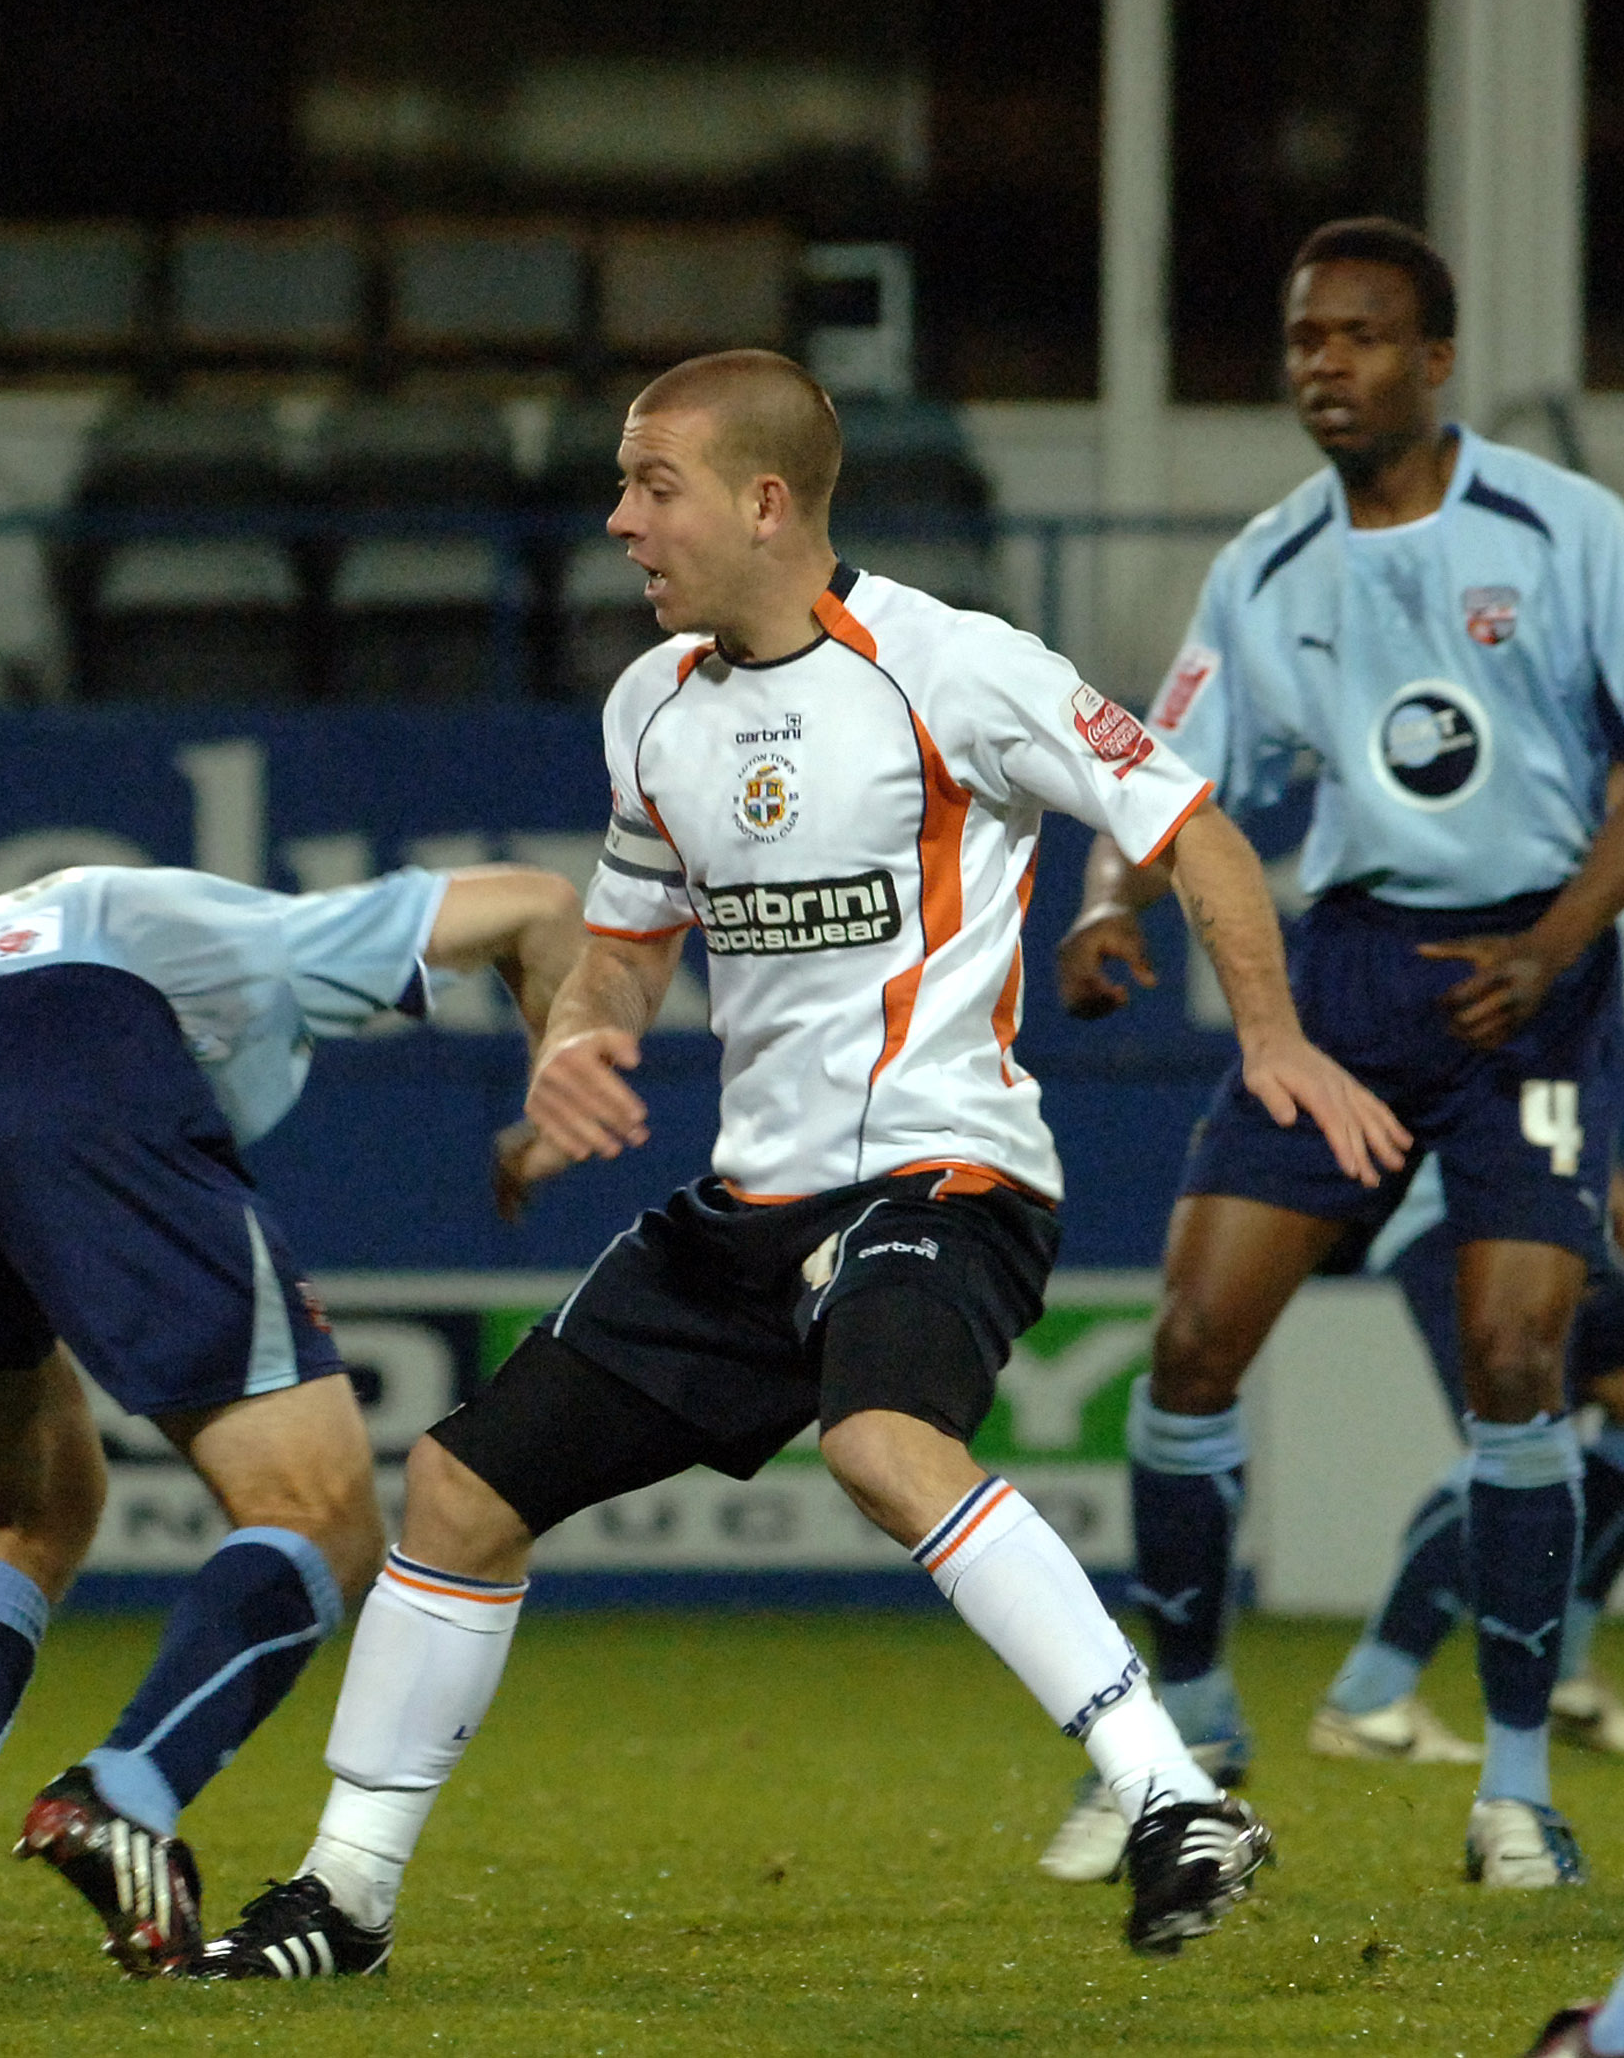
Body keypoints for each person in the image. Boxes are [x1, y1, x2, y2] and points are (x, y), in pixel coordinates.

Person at [178, 348, 1406, 1980]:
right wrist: (573, 1049)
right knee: (461, 1489)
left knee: (882, 1440)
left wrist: (1272, 1037)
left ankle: (1173, 1796)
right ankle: (346, 1895)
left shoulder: (957, 668)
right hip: (751, 1205)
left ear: (765, 503)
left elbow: (1195, 831)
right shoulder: (650, 707)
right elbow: (626, 952)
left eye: (652, 485)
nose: (619, 522)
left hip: (943, 1171)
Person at [1043, 217, 1624, 1892]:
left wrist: (1555, 949)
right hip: (1352, 980)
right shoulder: (1268, 564)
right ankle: (1190, 1743)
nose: (1326, 364)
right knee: (1188, 1344)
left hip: (1534, 979)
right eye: (1306, 337)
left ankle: (1514, 1790)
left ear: (1435, 360)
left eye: (1362, 336)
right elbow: (1162, 771)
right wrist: (1107, 903)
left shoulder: (1565, 530)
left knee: (1518, 1364)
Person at [0, 857, 584, 1974]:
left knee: (25, 1519)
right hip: (83, 1061)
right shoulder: (249, 935)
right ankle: (124, 1792)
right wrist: (554, 1091)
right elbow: (541, 905)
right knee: (319, 1517)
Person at [1305, 1158, 1624, 1764]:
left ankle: (1561, 1676)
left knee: (1546, 1436)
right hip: (1469, 1202)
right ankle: (1368, 1698)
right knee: (1516, 1439)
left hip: (1558, 1206)